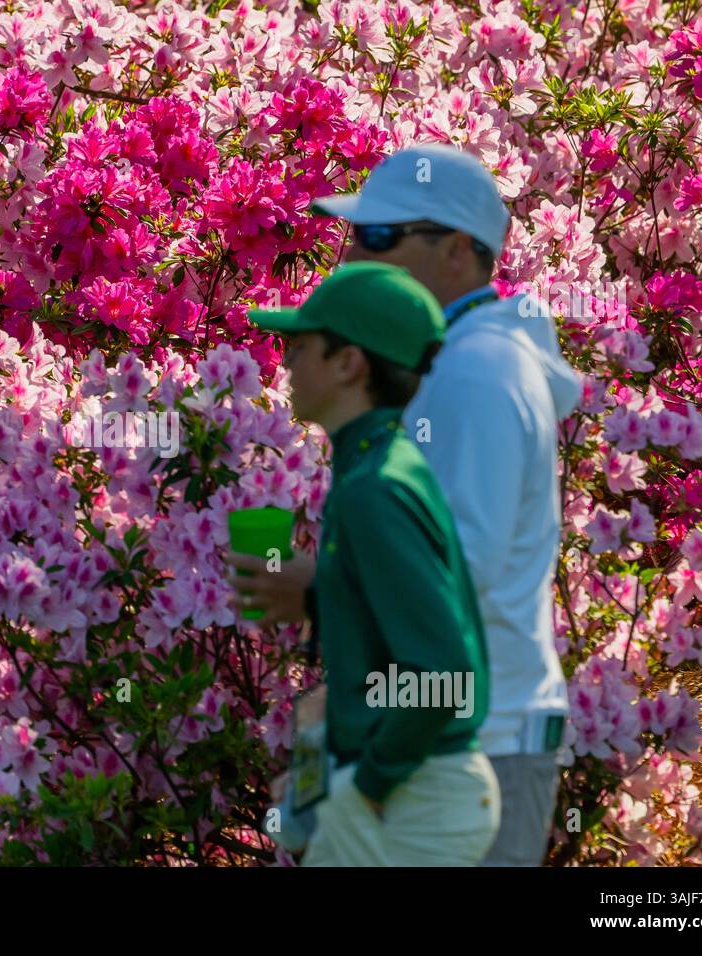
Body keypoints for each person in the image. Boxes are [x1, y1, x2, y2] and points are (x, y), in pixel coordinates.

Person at [245, 143, 580, 866]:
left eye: (379, 238)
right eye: (355, 236)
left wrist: (320, 586)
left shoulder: (476, 371)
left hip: (473, 740)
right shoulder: (465, 360)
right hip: (458, 734)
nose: (354, 259)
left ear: (458, 251)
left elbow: (464, 570)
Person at [239, 261, 499, 866]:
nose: (285, 362)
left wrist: (368, 785)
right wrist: (322, 593)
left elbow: (443, 671)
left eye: (299, 346)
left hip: (410, 797)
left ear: (349, 363)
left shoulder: (374, 487)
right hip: (418, 789)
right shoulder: (382, 463)